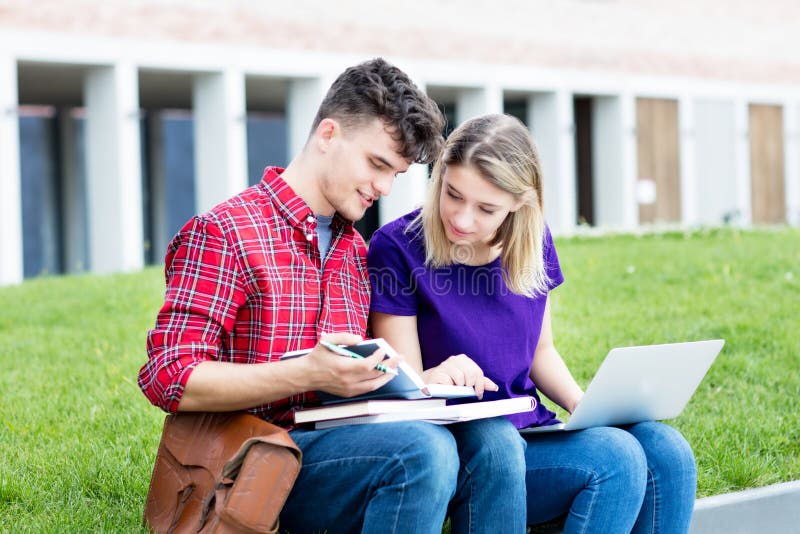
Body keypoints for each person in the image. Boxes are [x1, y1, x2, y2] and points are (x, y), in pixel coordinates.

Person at [138, 58, 463, 534]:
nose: (384, 187)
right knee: (420, 451)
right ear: (327, 135)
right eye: (377, 164)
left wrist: (421, 381)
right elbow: (170, 376)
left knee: (461, 440)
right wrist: (304, 372)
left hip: (333, 452)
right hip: (245, 468)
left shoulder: (356, 250)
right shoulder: (226, 232)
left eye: (395, 173)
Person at [368, 114, 698, 533]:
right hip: (472, 445)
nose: (462, 219)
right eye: (452, 194)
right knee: (616, 459)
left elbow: (540, 352)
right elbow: (407, 384)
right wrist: (437, 375)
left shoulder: (531, 242)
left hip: (530, 431)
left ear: (518, 203)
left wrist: (582, 405)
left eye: (486, 208)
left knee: (668, 451)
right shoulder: (397, 248)